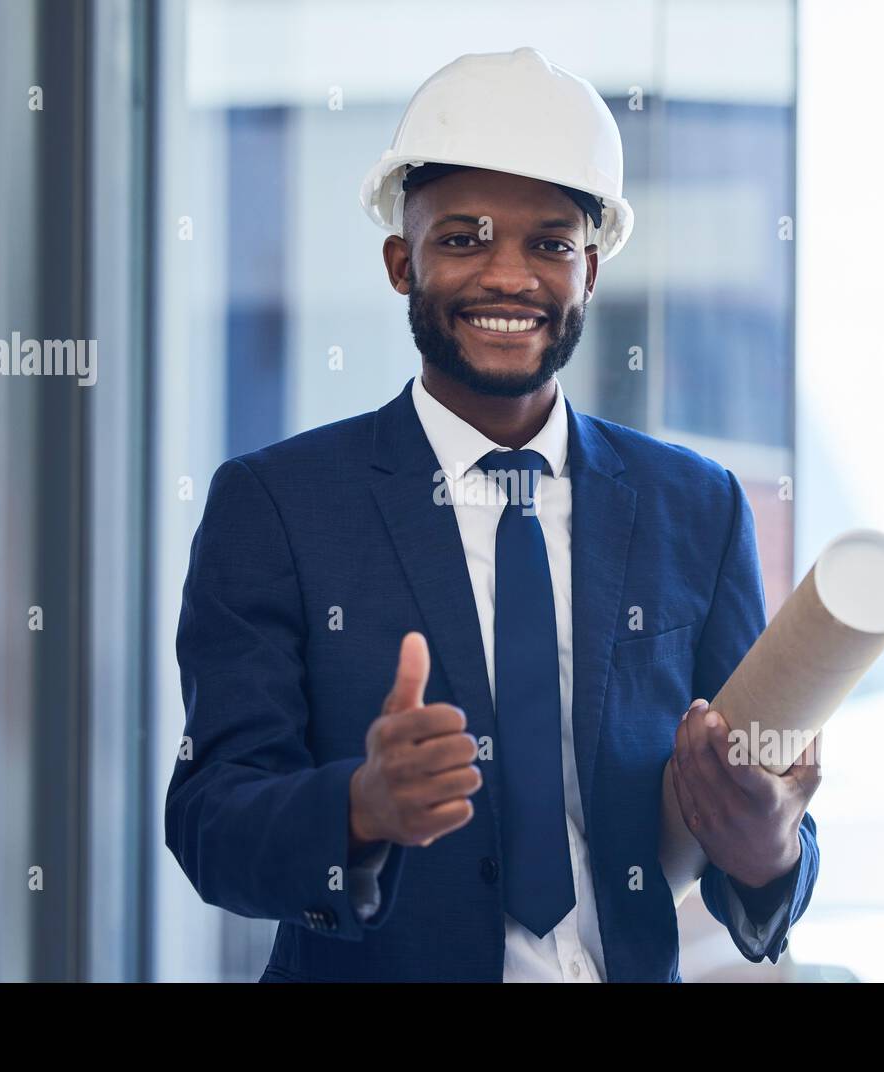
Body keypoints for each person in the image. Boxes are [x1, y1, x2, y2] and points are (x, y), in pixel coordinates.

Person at [165, 47, 820, 983]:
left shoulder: (695, 506)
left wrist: (769, 849)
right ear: (403, 262)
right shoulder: (277, 506)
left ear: (589, 270)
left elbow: (756, 830)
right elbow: (209, 821)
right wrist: (359, 805)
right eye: (464, 238)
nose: (509, 276)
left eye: (549, 243)